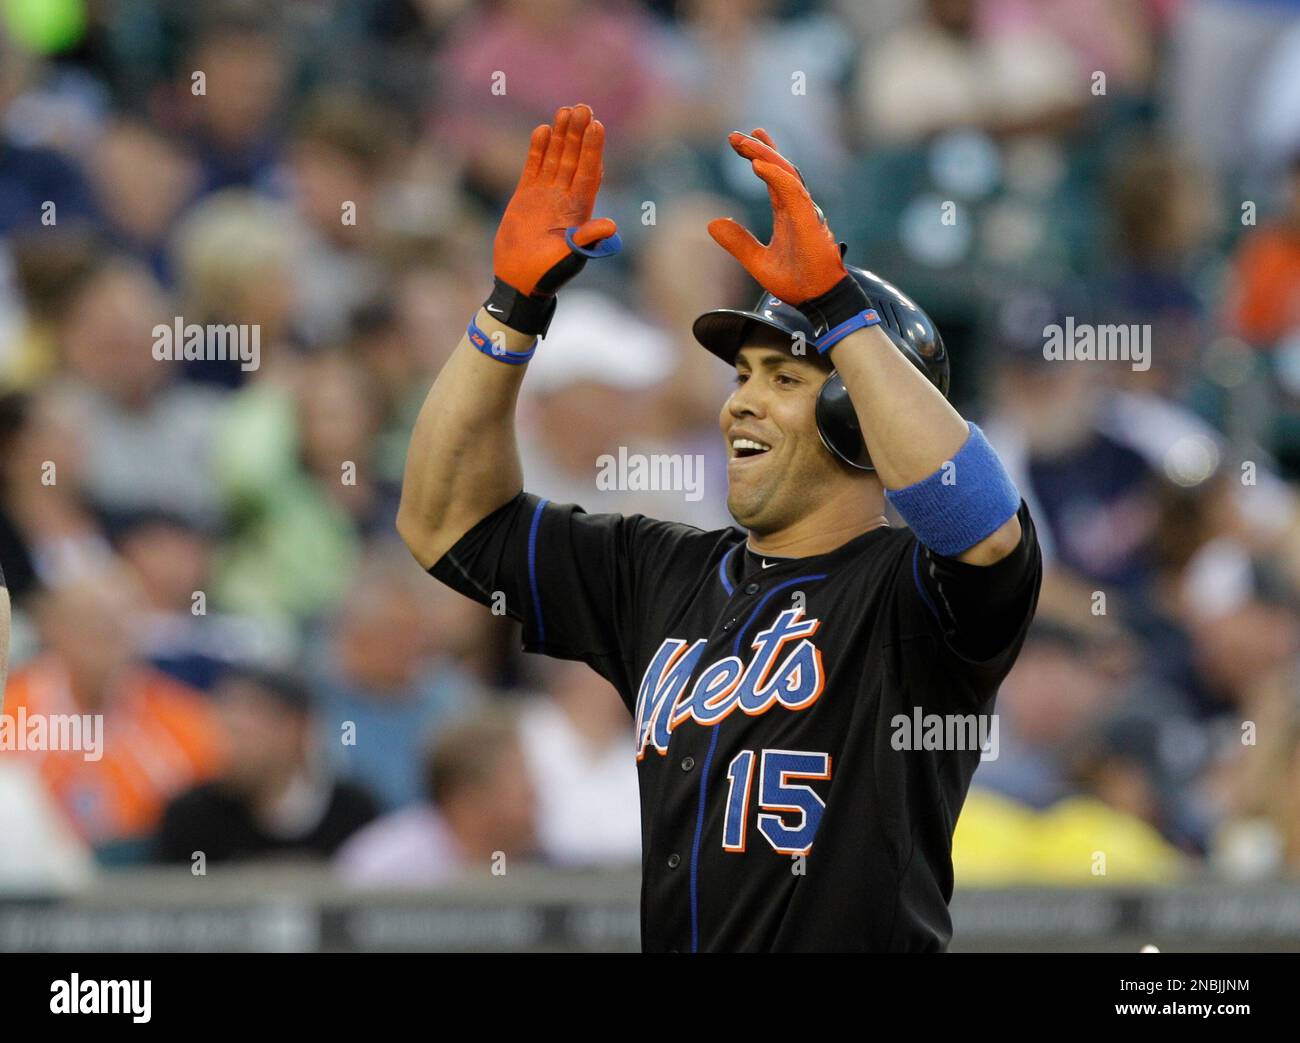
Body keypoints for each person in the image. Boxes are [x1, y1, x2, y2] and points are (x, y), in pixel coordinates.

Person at [396, 105, 1041, 952]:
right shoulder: (656, 568)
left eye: (782, 376)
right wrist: (511, 310)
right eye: (742, 374)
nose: (739, 399)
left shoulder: (917, 595)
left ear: (857, 410)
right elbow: (445, 521)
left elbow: (985, 528)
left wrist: (844, 317)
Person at [155, 666, 379, 865]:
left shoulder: (353, 812)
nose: (229, 749)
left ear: (297, 729)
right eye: (223, 733)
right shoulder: (192, 817)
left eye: (242, 734)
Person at [335, 710, 538, 888]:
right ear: (465, 797)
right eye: (519, 778)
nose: (535, 795)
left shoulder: (541, 861)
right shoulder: (384, 867)